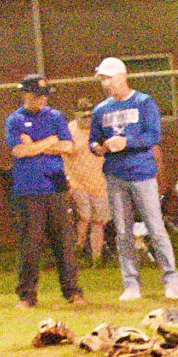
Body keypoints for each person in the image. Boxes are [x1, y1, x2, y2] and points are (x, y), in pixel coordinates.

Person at [89, 55, 178, 301]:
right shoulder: (101, 110)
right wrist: (98, 147)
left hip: (141, 173)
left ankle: (171, 279)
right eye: (102, 80)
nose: (105, 84)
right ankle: (131, 284)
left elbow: (154, 135)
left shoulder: (144, 103)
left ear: (122, 76)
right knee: (122, 231)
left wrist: (126, 142)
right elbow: (93, 139)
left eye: (108, 78)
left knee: (155, 226)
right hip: (115, 175)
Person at [6, 75, 82, 308]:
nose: (42, 99)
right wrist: (49, 141)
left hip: (56, 186)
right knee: (31, 243)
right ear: (26, 94)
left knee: (64, 242)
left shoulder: (56, 116)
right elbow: (19, 151)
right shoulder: (15, 120)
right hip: (28, 189)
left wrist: (35, 146)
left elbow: (68, 147)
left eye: (44, 95)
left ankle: (72, 291)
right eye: (37, 95)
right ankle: (27, 295)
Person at [63, 104, 112, 265]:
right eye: (83, 116)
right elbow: (63, 155)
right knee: (85, 215)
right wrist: (67, 179)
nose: (87, 120)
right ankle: (77, 249)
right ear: (76, 116)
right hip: (77, 180)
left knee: (99, 221)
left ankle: (95, 258)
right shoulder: (69, 130)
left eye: (90, 116)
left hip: (98, 181)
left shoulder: (100, 129)